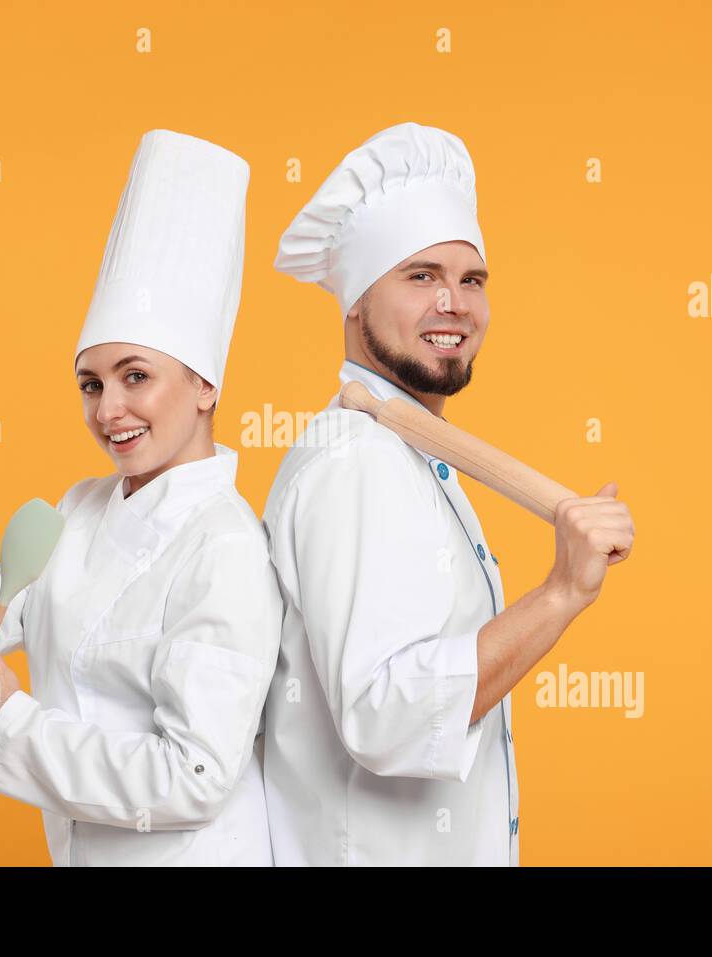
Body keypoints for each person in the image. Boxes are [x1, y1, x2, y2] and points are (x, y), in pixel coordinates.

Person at [0, 129, 282, 866]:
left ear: (206, 384)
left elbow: (196, 774)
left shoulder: (226, 546)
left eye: (135, 375)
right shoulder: (79, 510)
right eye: (92, 382)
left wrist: (11, 720)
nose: (109, 409)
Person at [261, 122, 636, 866]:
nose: (454, 304)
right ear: (355, 306)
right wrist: (559, 593)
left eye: (471, 280)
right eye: (420, 275)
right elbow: (385, 717)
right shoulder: (357, 463)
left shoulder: (398, 450)